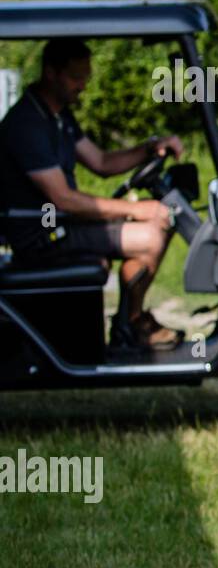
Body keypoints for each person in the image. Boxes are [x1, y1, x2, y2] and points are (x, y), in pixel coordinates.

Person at [0, 37, 186, 351]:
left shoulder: (56, 116)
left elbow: (100, 162)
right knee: (151, 236)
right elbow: (63, 198)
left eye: (86, 77)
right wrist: (136, 210)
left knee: (156, 225)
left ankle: (130, 324)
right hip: (41, 235)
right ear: (51, 73)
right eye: (76, 77)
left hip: (59, 227)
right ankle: (131, 326)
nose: (83, 85)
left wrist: (149, 149)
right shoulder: (27, 124)